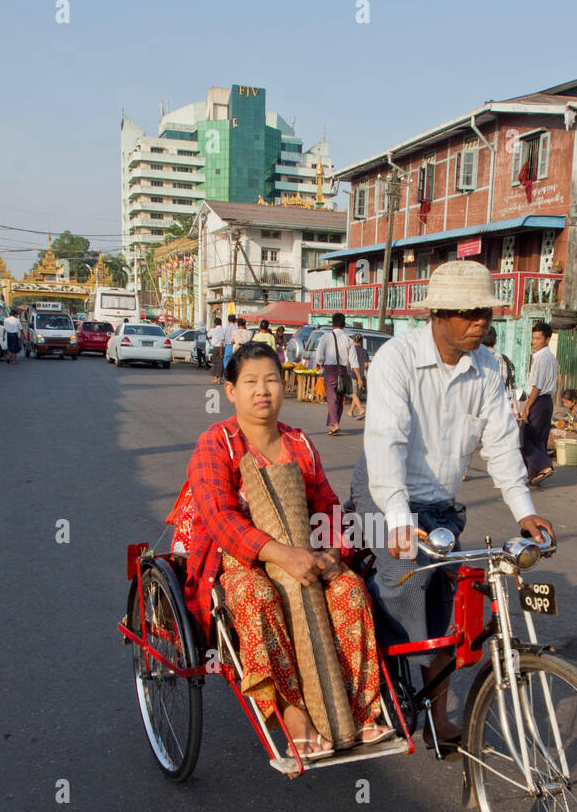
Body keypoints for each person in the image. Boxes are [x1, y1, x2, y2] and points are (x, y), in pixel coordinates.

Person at [350, 259, 554, 748]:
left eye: (484, 311)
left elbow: (502, 444)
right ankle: (378, 685)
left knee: (449, 606)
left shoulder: (488, 367)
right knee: (403, 586)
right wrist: (398, 522)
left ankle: (438, 717)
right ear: (437, 315)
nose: (479, 321)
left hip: (439, 501)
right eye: (467, 313)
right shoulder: (396, 359)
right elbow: (386, 446)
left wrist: (524, 510)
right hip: (384, 492)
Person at [169, 341, 392, 758]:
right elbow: (219, 517)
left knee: (350, 592)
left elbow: (327, 505)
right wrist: (279, 554)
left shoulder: (300, 443)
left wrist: (332, 554)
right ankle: (291, 710)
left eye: (271, 380)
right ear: (230, 390)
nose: (263, 391)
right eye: (250, 382)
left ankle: (361, 710)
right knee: (258, 598)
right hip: (239, 559)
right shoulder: (216, 444)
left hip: (306, 553)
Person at [519, 321, 558, 484]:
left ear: (547, 339)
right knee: (539, 439)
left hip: (538, 400)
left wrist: (527, 407)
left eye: (538, 338)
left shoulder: (542, 359)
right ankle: (536, 474)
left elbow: (537, 386)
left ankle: (543, 466)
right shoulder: (550, 358)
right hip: (546, 402)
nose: (534, 342)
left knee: (525, 437)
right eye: (533, 338)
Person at [315, 311, 354, 435]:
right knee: (340, 398)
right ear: (344, 324)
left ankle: (335, 423)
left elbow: (319, 356)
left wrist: (322, 363)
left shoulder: (326, 337)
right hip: (343, 370)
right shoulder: (349, 339)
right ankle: (334, 424)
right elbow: (353, 360)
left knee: (332, 398)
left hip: (330, 370)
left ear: (333, 323)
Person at [346, 331, 367, 420]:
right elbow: (366, 364)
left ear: (352, 340)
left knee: (353, 393)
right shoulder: (364, 351)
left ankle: (359, 409)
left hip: (352, 373)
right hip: (361, 374)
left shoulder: (351, 349)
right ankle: (353, 410)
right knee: (356, 393)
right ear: (361, 340)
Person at [209, 318, 226, 383]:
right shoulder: (224, 330)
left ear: (215, 324)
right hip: (223, 347)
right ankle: (220, 378)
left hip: (215, 347)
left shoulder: (212, 330)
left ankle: (215, 377)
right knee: (221, 363)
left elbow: (208, 335)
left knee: (215, 362)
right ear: (221, 323)